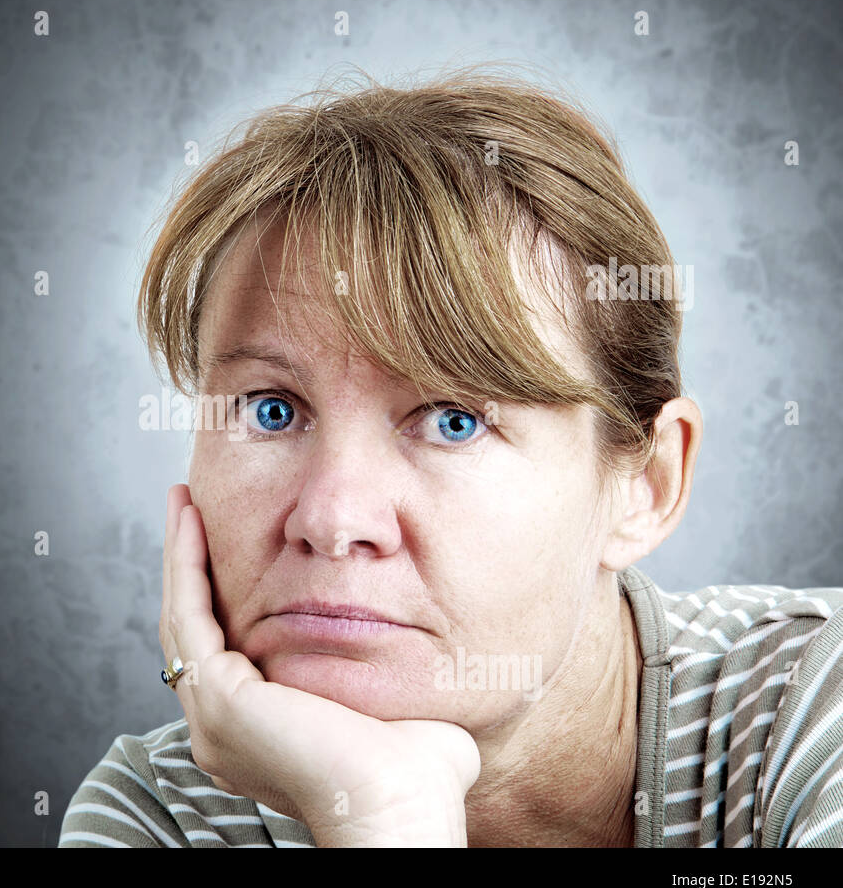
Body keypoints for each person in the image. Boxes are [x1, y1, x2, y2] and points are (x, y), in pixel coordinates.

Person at [59, 70, 843, 847]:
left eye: (454, 419)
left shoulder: (816, 705)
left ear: (646, 484)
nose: (332, 520)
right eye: (272, 410)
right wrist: (377, 812)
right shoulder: (157, 819)